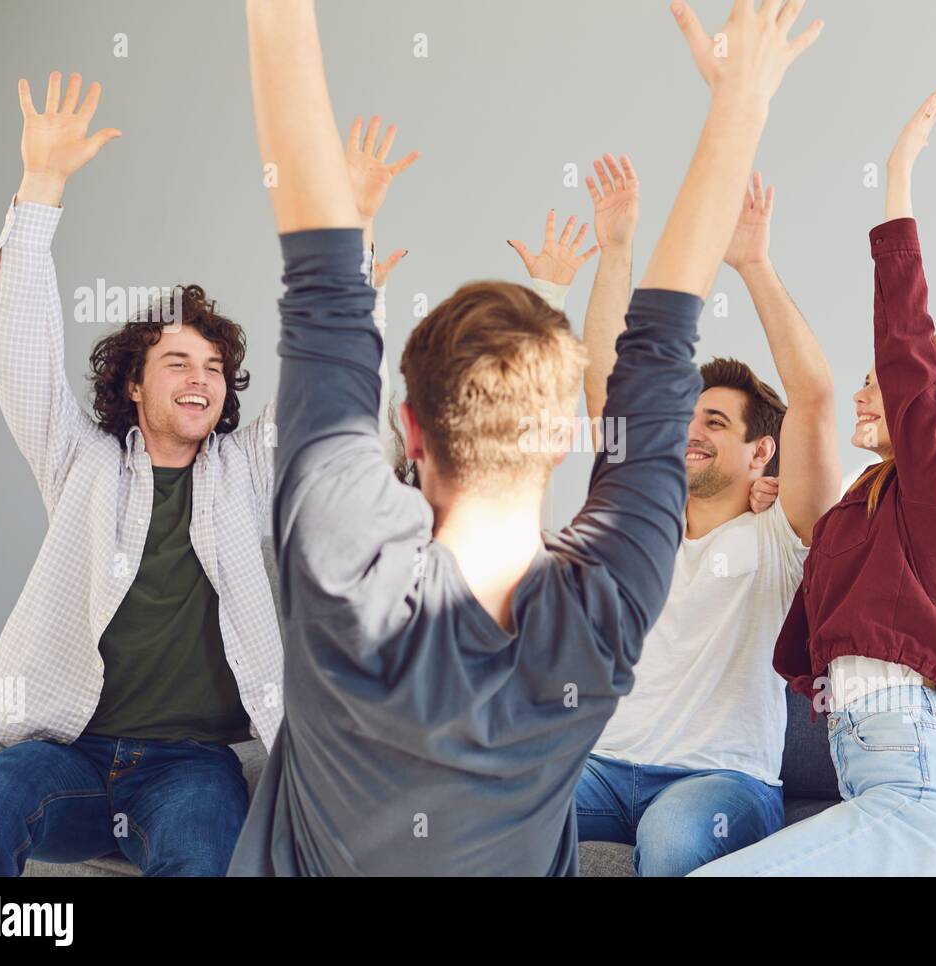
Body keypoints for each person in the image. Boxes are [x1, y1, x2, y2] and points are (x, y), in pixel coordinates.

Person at [227, 0, 823, 875]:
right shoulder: (607, 602)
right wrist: (741, 105)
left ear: (411, 430)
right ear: (566, 436)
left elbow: (323, 293)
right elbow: (659, 347)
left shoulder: (340, 554)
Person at [0, 71, 399, 877]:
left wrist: (348, 239)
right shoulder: (80, 459)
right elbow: (18, 355)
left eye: (215, 366)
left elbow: (328, 400)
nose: (201, 377)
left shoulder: (249, 469)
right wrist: (41, 183)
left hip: (190, 766)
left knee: (204, 850)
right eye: (177, 360)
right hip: (71, 756)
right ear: (133, 385)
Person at [691, 81, 936, 877]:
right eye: (867, 381)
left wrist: (896, 176)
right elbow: (821, 613)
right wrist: (761, 508)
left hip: (925, 791)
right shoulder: (869, 512)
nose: (867, 392)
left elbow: (907, 351)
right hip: (882, 782)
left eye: (886, 383)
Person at [569, 160, 839, 876]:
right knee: (500, 811)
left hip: (720, 782)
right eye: (686, 417)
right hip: (602, 764)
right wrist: (618, 252)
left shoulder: (780, 533)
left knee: (674, 843)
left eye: (713, 421)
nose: (689, 431)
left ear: (761, 454)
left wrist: (753, 265)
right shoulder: (643, 518)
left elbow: (813, 397)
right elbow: (605, 392)